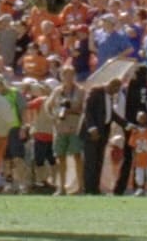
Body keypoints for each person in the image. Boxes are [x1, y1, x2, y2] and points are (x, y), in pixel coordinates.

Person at [114, 65, 147, 195]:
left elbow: (119, 109)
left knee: (127, 159)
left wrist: (123, 125)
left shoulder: (125, 90)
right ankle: (139, 187)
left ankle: (119, 188)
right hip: (144, 131)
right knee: (143, 159)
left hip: (130, 129)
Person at [80, 77, 123, 195]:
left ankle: (95, 188)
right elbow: (87, 111)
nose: (117, 91)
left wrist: (126, 124)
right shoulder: (96, 92)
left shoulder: (110, 97)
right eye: (116, 87)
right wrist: (92, 128)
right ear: (110, 85)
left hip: (103, 132)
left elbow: (111, 114)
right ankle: (88, 189)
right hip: (92, 133)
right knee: (90, 162)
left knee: (99, 161)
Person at [46, 65, 84, 196]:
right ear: (61, 76)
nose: (68, 77)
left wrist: (70, 110)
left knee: (77, 156)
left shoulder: (80, 90)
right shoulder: (57, 91)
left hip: (75, 128)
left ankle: (80, 187)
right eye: (65, 75)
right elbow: (48, 106)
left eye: (71, 75)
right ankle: (61, 187)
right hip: (60, 128)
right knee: (59, 157)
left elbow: (83, 109)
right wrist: (54, 117)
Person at [128, 111, 147, 196]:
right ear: (137, 119)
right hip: (139, 157)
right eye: (140, 118)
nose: (142, 120)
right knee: (139, 174)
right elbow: (132, 146)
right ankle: (140, 188)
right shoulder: (135, 132)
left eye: (144, 118)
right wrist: (134, 157)